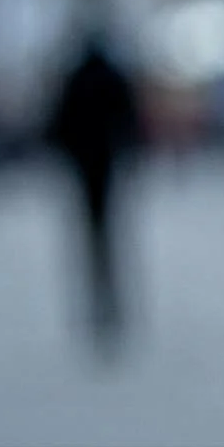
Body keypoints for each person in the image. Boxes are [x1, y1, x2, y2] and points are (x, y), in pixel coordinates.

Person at [43, 27, 143, 353]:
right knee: (109, 237)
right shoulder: (113, 77)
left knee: (91, 236)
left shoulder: (76, 78)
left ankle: (97, 302)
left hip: (85, 169)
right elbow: (130, 123)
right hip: (107, 167)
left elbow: (57, 125)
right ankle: (111, 303)